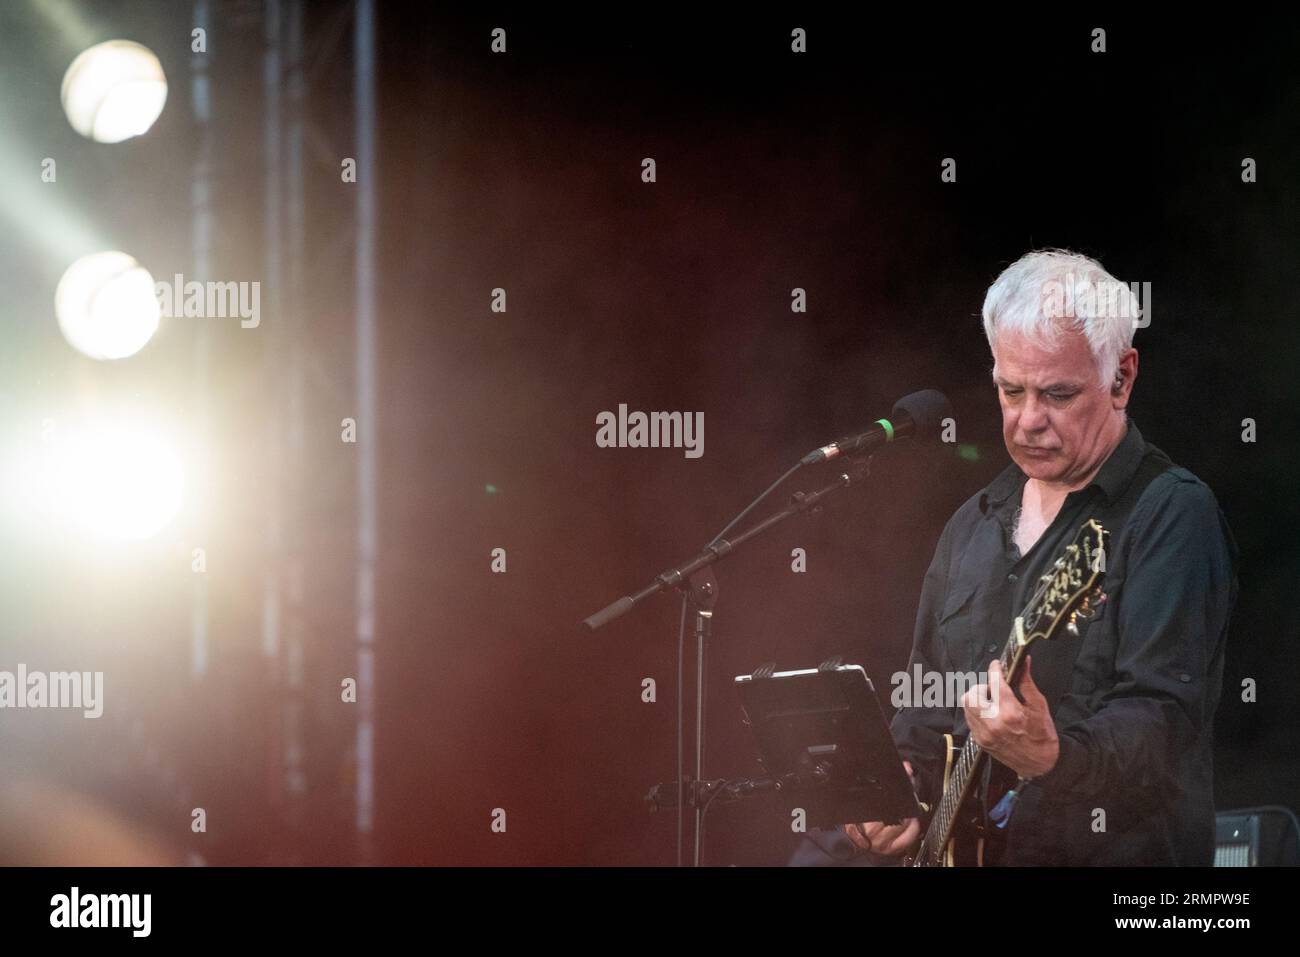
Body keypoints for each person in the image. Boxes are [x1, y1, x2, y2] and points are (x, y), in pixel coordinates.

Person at [842, 249, 1238, 865]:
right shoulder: (970, 526)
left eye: (1057, 394)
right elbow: (925, 700)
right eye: (1010, 390)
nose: (1028, 420)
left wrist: (1056, 756)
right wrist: (901, 787)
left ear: (1122, 379)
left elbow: (1163, 720)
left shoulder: (1171, 514)